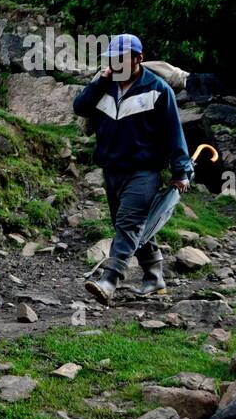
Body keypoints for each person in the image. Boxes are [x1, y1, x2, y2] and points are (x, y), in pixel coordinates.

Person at [72, 33, 193, 303]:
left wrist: (180, 172)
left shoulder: (159, 89)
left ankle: (110, 280)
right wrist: (101, 80)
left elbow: (174, 133)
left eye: (122, 59)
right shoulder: (103, 84)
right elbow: (80, 107)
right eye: (112, 60)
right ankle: (154, 278)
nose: (116, 65)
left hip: (144, 171)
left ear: (138, 59)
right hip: (112, 170)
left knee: (128, 223)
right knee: (129, 224)